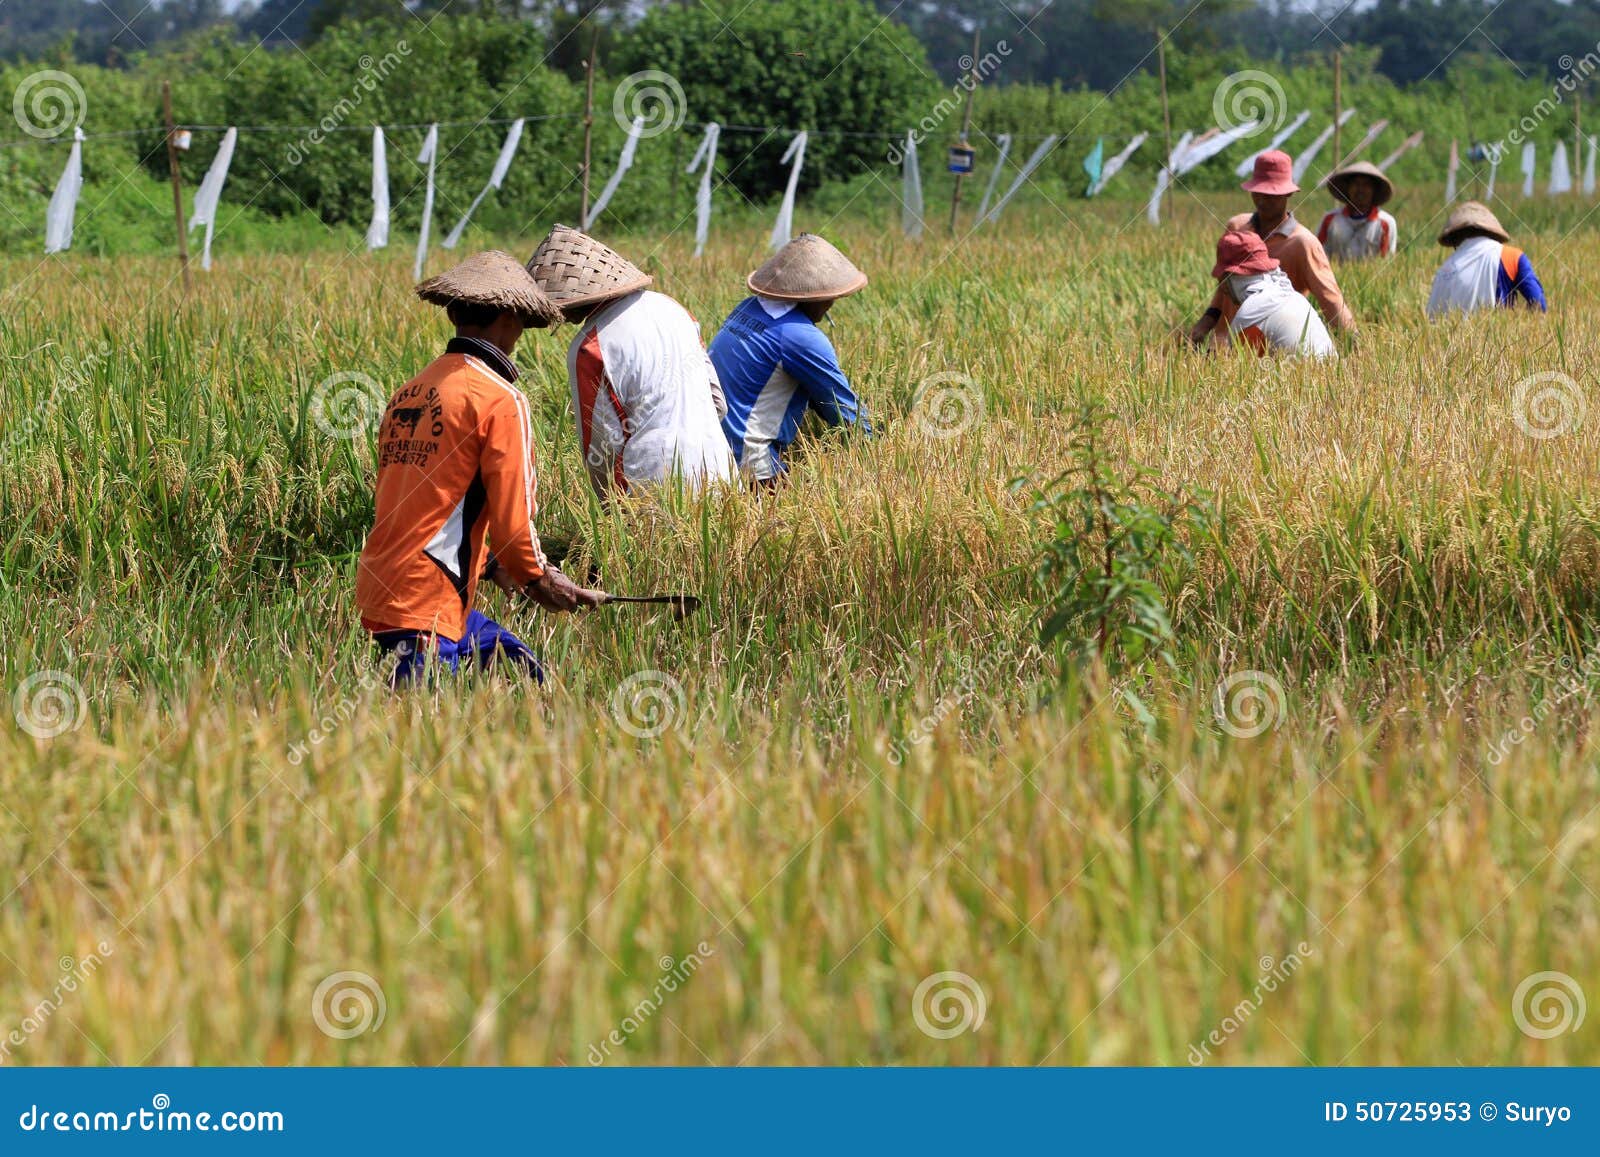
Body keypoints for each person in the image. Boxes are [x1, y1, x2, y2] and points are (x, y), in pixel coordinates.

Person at [355, 250, 604, 685]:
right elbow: (514, 524)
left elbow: (420, 507)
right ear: (510, 318)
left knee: (524, 674)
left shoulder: (407, 394)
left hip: (384, 585)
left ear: (453, 312)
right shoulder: (500, 400)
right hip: (426, 601)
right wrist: (539, 580)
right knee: (419, 733)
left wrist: (490, 565)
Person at [524, 224, 734, 500]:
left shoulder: (590, 346)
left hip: (652, 492)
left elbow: (601, 446)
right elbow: (717, 402)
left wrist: (606, 509)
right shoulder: (676, 310)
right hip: (722, 476)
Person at [707, 233, 871, 484]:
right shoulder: (800, 336)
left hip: (708, 446)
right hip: (749, 464)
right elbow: (844, 412)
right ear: (817, 297)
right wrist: (880, 447)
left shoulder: (746, 307)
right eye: (830, 298)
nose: (831, 305)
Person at [1189, 150, 1355, 347]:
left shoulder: (1302, 243)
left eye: (1272, 195)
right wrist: (1205, 323)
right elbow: (1225, 287)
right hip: (1226, 343)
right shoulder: (1236, 229)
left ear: (1289, 193)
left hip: (1273, 346)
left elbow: (1331, 299)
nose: (1263, 200)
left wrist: (1355, 344)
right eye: (1258, 192)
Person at [1210, 229, 1336, 359]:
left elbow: (1248, 373)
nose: (1222, 286)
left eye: (1223, 278)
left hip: (1303, 377)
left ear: (1232, 278)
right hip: (1331, 375)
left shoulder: (1247, 317)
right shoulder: (1296, 298)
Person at [1426, 201, 1548, 318]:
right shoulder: (1511, 257)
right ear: (1492, 232)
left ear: (1454, 239)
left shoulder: (1444, 270)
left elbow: (1431, 320)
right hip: (1498, 338)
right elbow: (1538, 305)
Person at [1317, 161, 1398, 261]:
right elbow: (1318, 257)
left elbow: (1385, 261)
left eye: (1366, 185)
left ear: (1374, 190)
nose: (1360, 189)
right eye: (1356, 184)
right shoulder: (1330, 220)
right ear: (1348, 188)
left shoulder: (1386, 223)